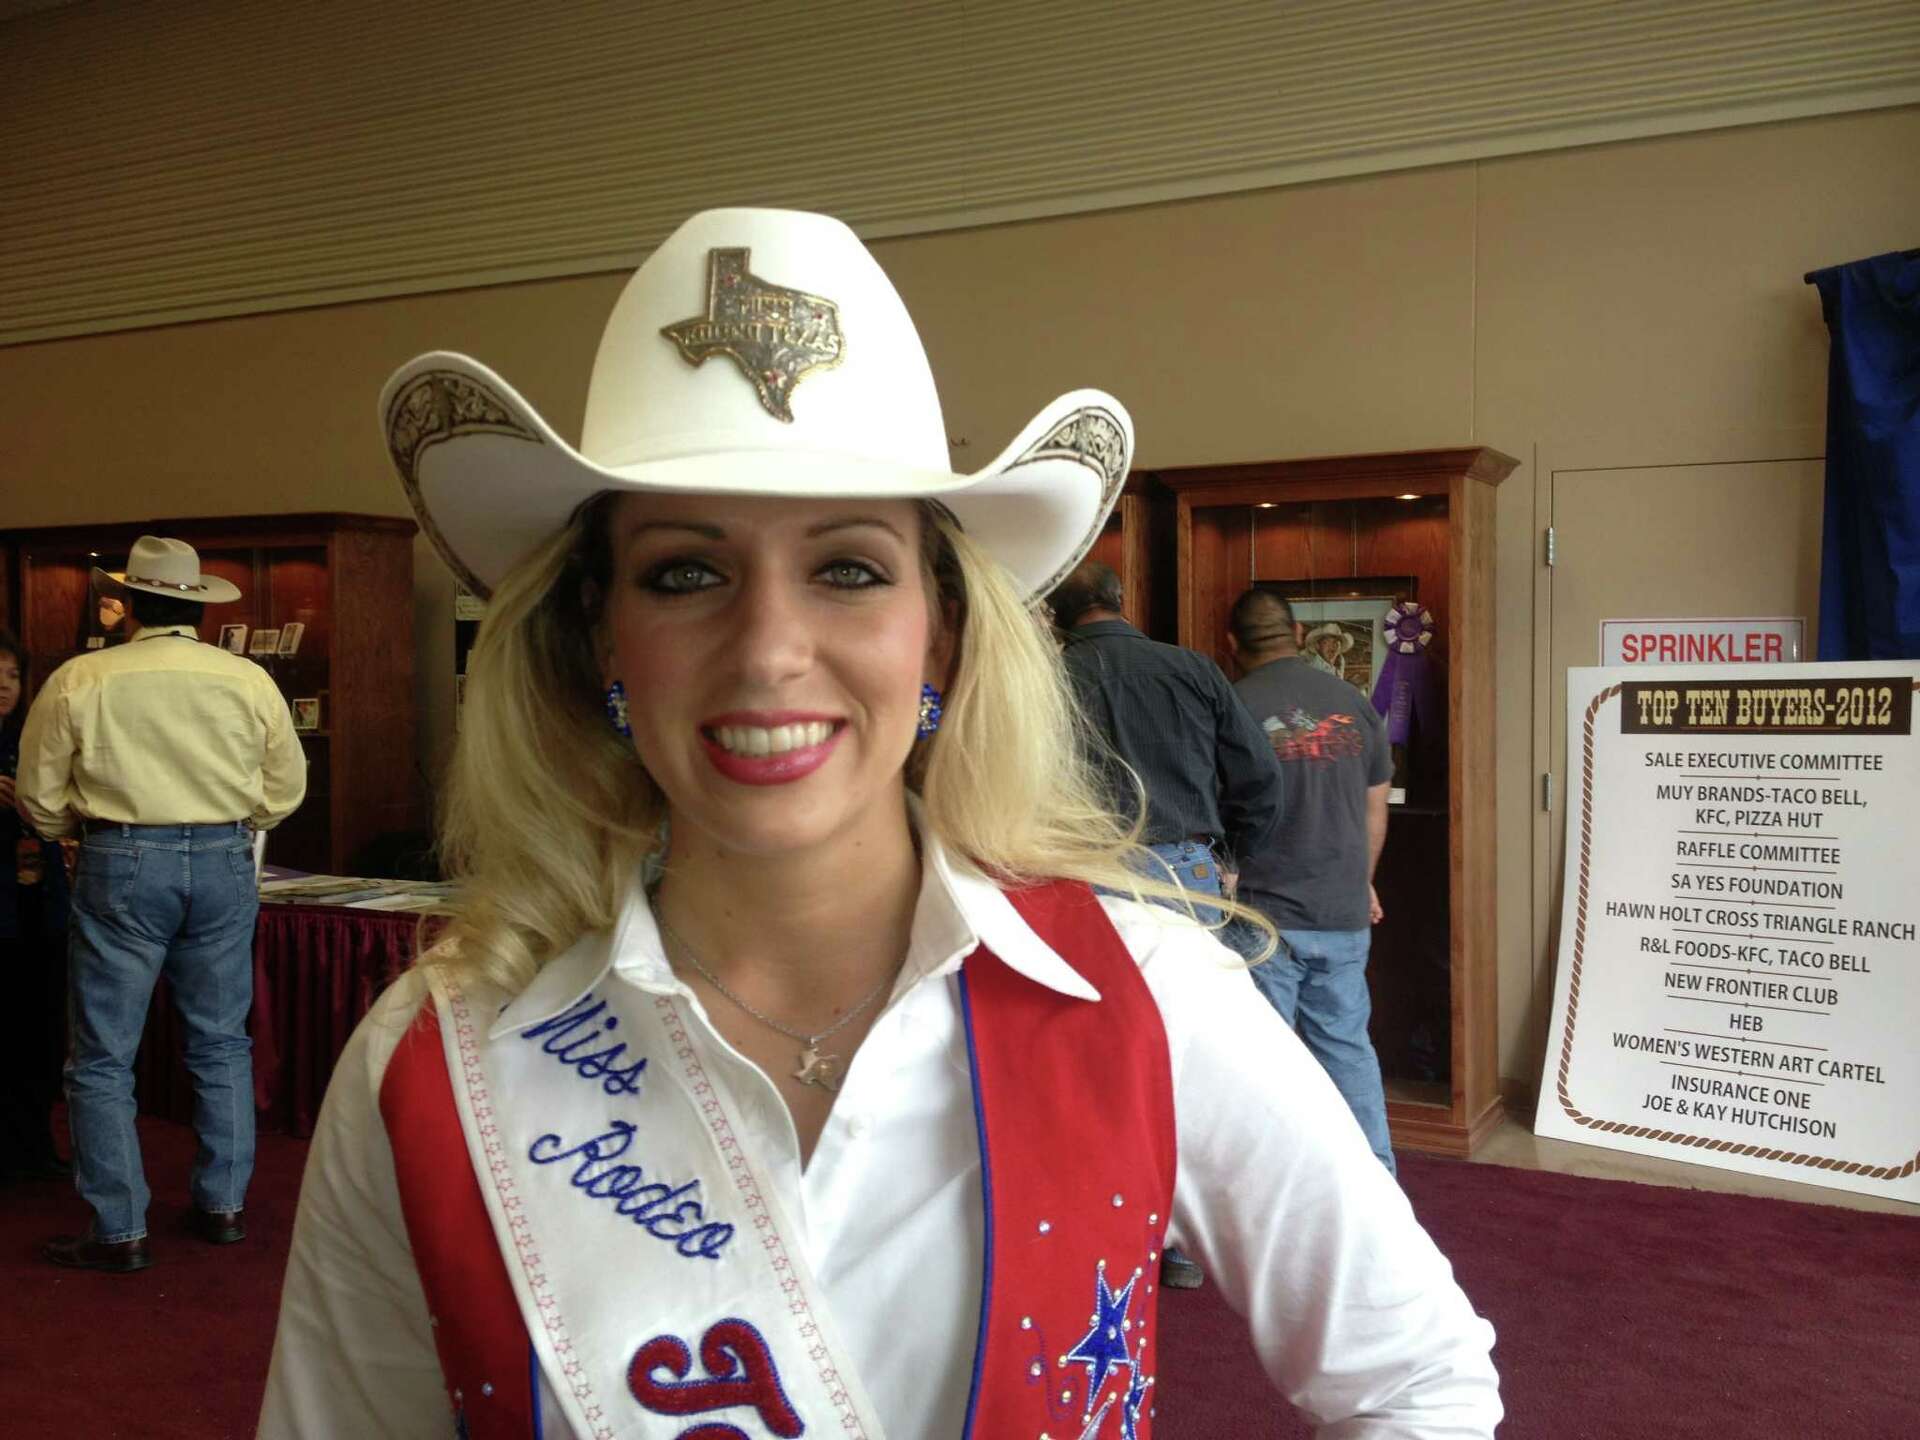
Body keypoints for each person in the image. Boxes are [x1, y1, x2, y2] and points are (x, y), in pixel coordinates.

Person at [259, 208, 1498, 1439]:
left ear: (942, 632)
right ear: (601, 637)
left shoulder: (1150, 995)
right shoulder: (435, 1058)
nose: (770, 651)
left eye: (848, 568)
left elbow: (1417, 1383)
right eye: (687, 573)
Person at [16, 538, 308, 1272]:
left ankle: (119, 1226)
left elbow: (39, 799)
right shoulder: (246, 679)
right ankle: (223, 1206)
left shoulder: (82, 678)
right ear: (199, 607)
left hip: (120, 858)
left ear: (128, 606)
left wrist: (72, 830)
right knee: (220, 1040)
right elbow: (284, 790)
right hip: (221, 857)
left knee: (102, 1056)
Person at [1227, 588, 1398, 1175]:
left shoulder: (1232, 705)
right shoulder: (1352, 700)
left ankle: (1274, 1191)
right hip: (1343, 909)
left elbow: (1222, 812)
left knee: (1263, 1063)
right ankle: (1378, 1179)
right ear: (1299, 635)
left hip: (1263, 916)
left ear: (1232, 645)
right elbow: (1376, 807)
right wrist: (1362, 879)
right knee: (1347, 1047)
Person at [1048, 560, 1285, 916]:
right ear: (1121, 599)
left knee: (1106, 975)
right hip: (1187, 867)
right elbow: (1261, 776)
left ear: (1054, 615)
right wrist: (1232, 856)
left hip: (1087, 868)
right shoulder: (1195, 669)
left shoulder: (1046, 681)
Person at [0, 630, 73, 1184]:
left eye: (13, 675)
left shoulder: (30, 735)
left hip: (37, 901)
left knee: (42, 1029)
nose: (5, 687)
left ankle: (34, 1145)